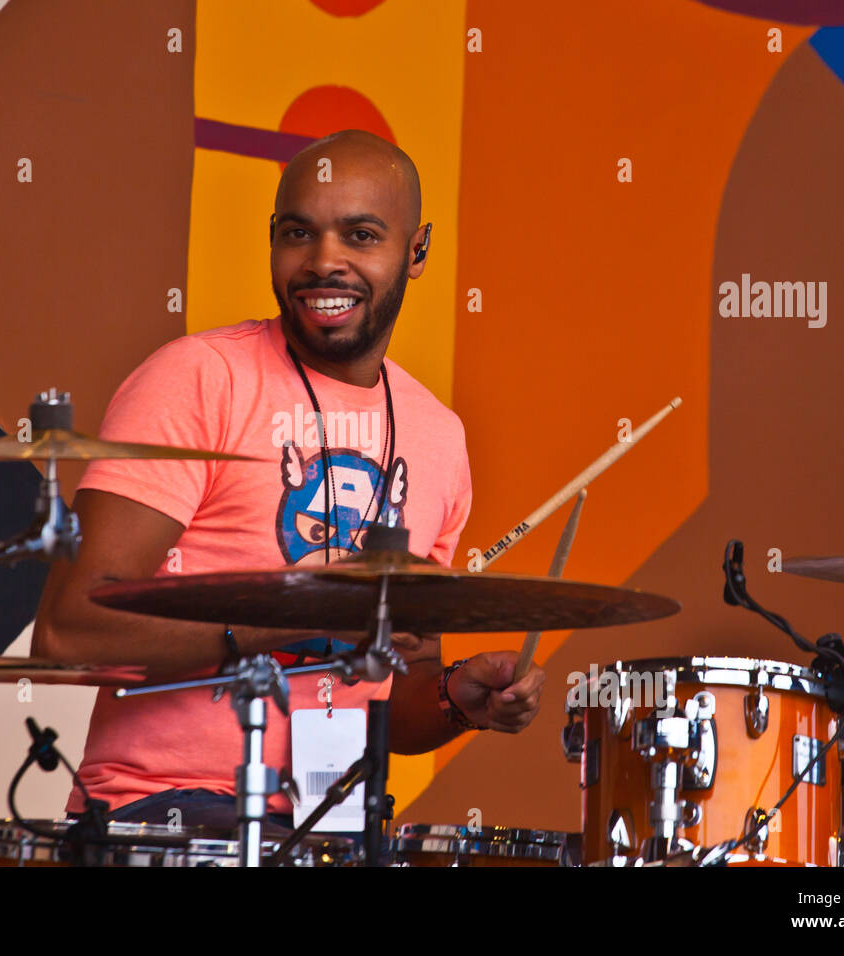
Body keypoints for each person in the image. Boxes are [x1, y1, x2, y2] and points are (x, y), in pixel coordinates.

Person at [32, 130, 545, 834]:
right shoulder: (197, 380)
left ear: (417, 250)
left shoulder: (438, 436)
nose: (324, 261)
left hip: (330, 822)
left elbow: (398, 683)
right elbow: (70, 631)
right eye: (299, 233)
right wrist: (312, 609)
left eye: (361, 235)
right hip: (164, 815)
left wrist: (459, 698)